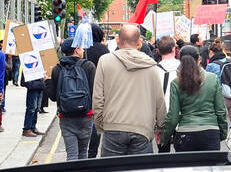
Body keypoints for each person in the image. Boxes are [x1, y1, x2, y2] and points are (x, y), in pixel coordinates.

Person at [92, 23, 165, 156]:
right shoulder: (151, 65)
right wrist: (160, 126)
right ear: (139, 42)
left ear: (118, 40)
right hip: (142, 128)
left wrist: (100, 124)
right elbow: (159, 100)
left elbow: (97, 97)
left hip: (113, 125)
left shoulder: (105, 61)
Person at [160, 44, 229, 152]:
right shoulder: (213, 79)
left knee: (186, 168)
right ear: (199, 60)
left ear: (180, 61)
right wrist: (223, 132)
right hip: (210, 131)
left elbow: (173, 116)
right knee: (211, 168)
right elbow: (221, 110)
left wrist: (165, 137)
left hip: (185, 132)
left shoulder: (176, 83)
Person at [47, 39, 97, 160]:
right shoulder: (88, 66)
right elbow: (94, 93)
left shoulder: (57, 69)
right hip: (86, 115)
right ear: (76, 50)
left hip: (66, 117)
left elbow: (53, 97)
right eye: (81, 47)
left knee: (71, 154)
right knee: (83, 152)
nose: (83, 50)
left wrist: (47, 81)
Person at [84, 25, 111, 158]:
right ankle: (92, 152)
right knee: (96, 120)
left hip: (82, 89)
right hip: (99, 88)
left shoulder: (82, 48)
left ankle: (82, 150)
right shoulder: (103, 49)